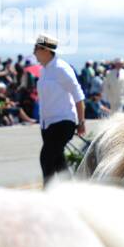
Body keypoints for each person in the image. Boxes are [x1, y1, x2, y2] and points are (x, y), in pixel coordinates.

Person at [34, 34, 85, 181]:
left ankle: (49, 194)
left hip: (64, 122)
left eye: (36, 48)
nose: (34, 52)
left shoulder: (62, 69)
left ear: (46, 50)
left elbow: (78, 95)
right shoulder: (43, 71)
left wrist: (81, 122)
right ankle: (69, 193)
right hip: (47, 124)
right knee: (58, 162)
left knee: (46, 158)